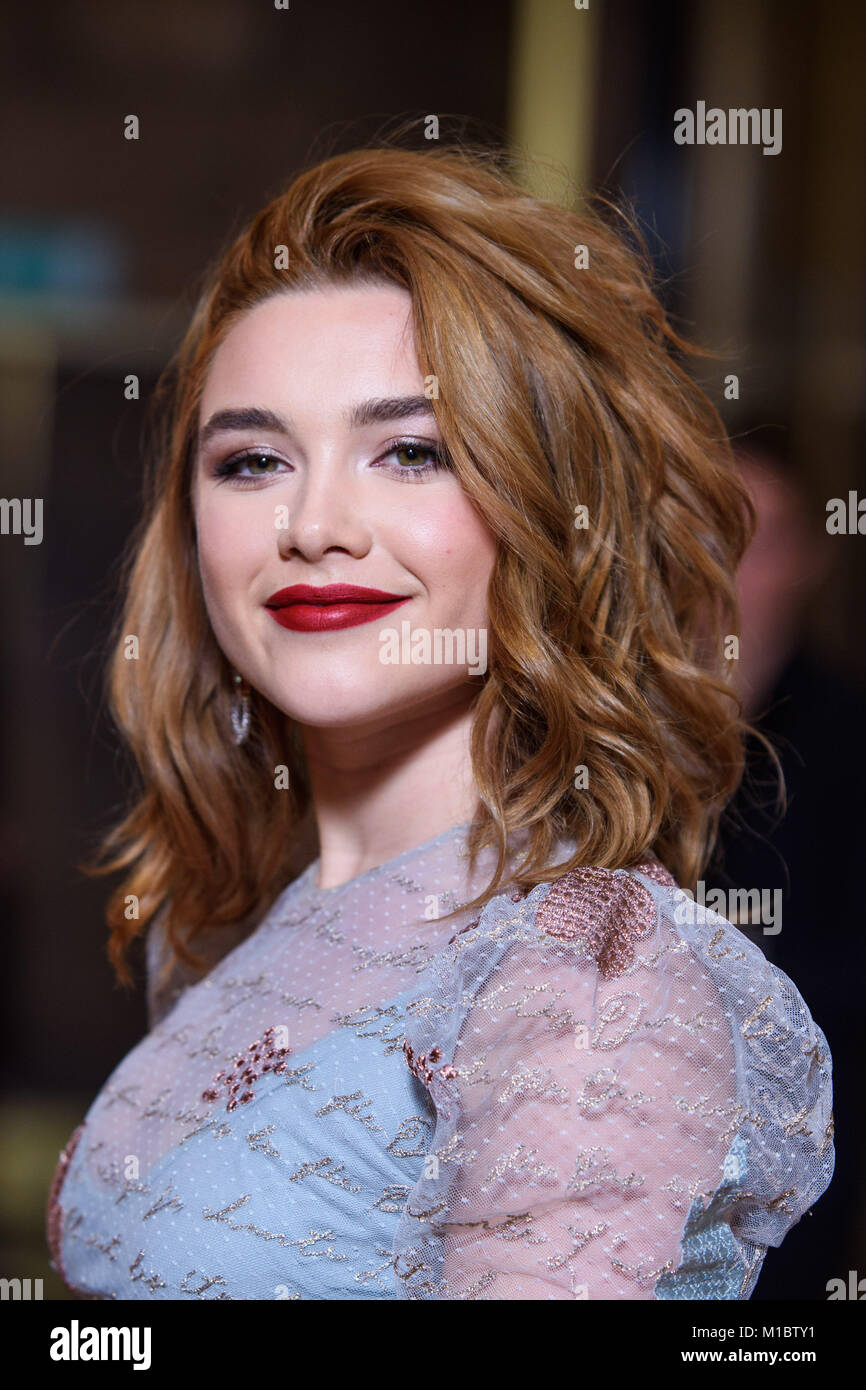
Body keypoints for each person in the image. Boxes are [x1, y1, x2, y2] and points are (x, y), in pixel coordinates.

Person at [45, 140, 834, 1300]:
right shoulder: (229, 928)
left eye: (410, 452)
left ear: (542, 512)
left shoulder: (583, 978)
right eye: (253, 460)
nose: (314, 523)